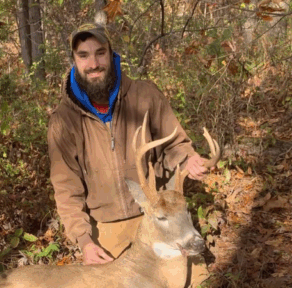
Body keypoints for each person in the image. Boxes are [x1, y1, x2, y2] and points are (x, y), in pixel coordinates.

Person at [48, 23, 210, 271]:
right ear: (74, 60)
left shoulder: (144, 95)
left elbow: (174, 144)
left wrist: (188, 160)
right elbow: (66, 189)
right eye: (83, 55)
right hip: (106, 225)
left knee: (194, 279)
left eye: (100, 53)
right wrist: (84, 241)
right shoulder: (63, 121)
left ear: (112, 54)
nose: (93, 64)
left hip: (156, 214)